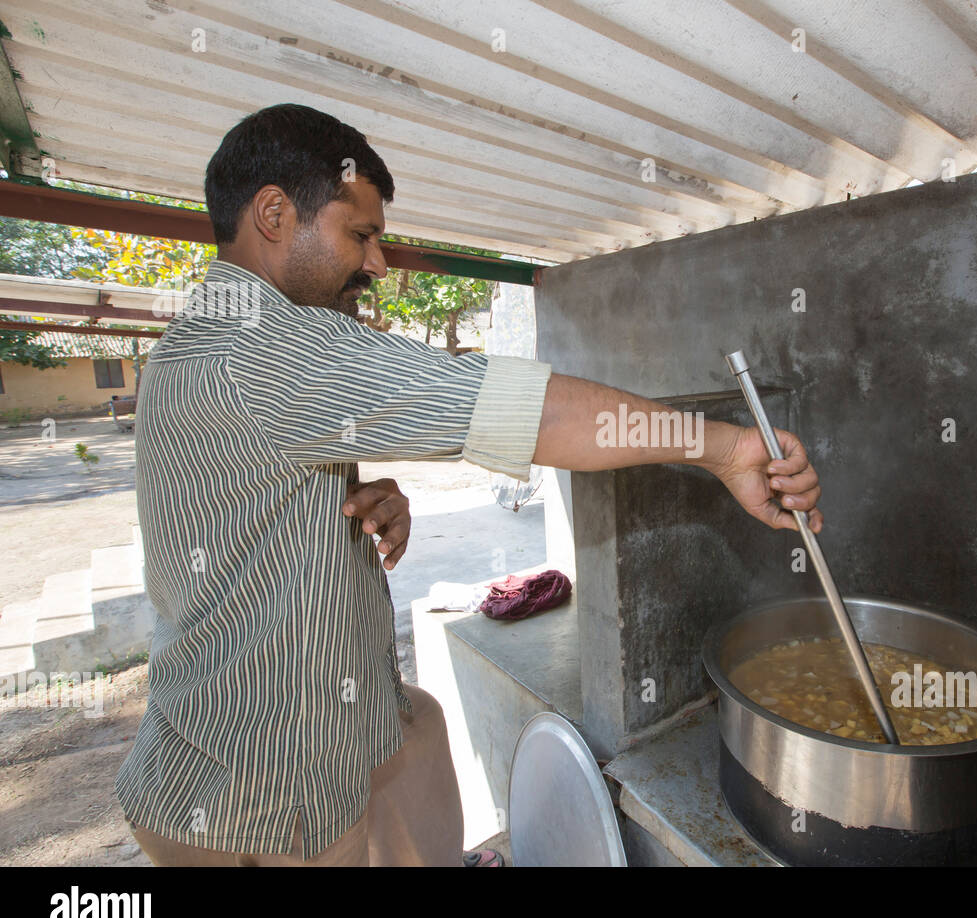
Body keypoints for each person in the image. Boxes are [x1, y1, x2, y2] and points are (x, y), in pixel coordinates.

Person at [115, 103, 823, 867]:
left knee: (416, 721)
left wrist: (328, 506)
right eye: (361, 234)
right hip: (259, 803)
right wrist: (719, 448)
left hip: (239, 762)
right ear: (276, 213)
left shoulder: (208, 337)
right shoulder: (266, 342)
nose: (379, 265)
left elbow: (238, 503)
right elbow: (525, 412)